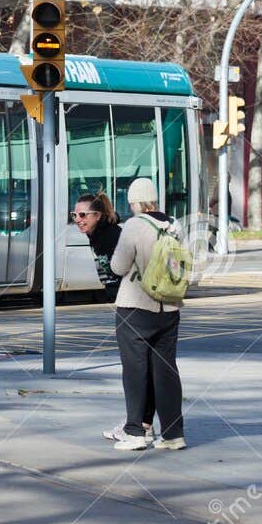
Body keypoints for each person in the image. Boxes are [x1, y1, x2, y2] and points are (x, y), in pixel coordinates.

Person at [108, 177, 186, 451]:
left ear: (134, 201)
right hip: (169, 307)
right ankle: (173, 434)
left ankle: (136, 432)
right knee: (166, 370)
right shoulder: (174, 225)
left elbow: (118, 266)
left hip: (136, 307)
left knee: (135, 370)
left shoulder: (134, 225)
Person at [75, 192, 152, 442]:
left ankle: (136, 426)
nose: (78, 219)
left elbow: (123, 269)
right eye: (74, 215)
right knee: (143, 367)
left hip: (134, 305)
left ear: (98, 215)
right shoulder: (99, 234)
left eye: (83, 214)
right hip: (131, 303)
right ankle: (144, 424)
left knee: (136, 367)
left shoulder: (109, 236)